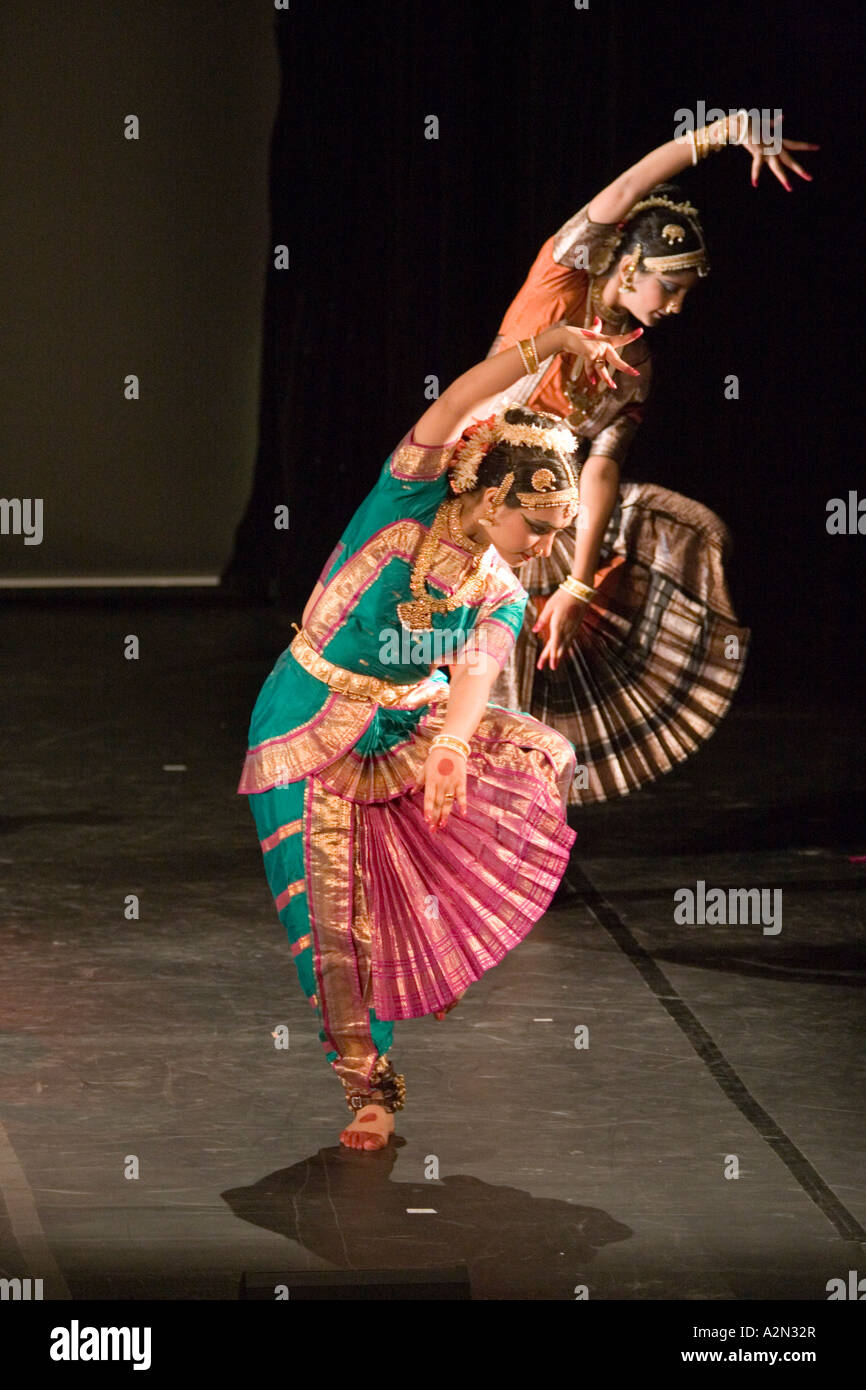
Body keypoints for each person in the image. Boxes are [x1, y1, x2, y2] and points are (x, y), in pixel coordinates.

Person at [237, 319, 642, 1151]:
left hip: (410, 725)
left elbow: (479, 672)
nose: (548, 547)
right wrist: (556, 341)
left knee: (536, 760)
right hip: (308, 719)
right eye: (538, 527)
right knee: (327, 919)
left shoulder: (502, 590)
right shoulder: (409, 493)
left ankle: (394, 1021)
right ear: (492, 499)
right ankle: (367, 1089)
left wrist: (455, 748)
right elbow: (461, 398)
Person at [478, 110, 818, 804]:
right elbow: (632, 184)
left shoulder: (634, 362)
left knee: (682, 538)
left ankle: (507, 813)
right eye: (671, 287)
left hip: (540, 511)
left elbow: (600, 468)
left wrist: (577, 585)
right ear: (629, 266)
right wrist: (723, 133)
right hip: (468, 493)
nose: (678, 306)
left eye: (689, 293)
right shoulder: (562, 278)